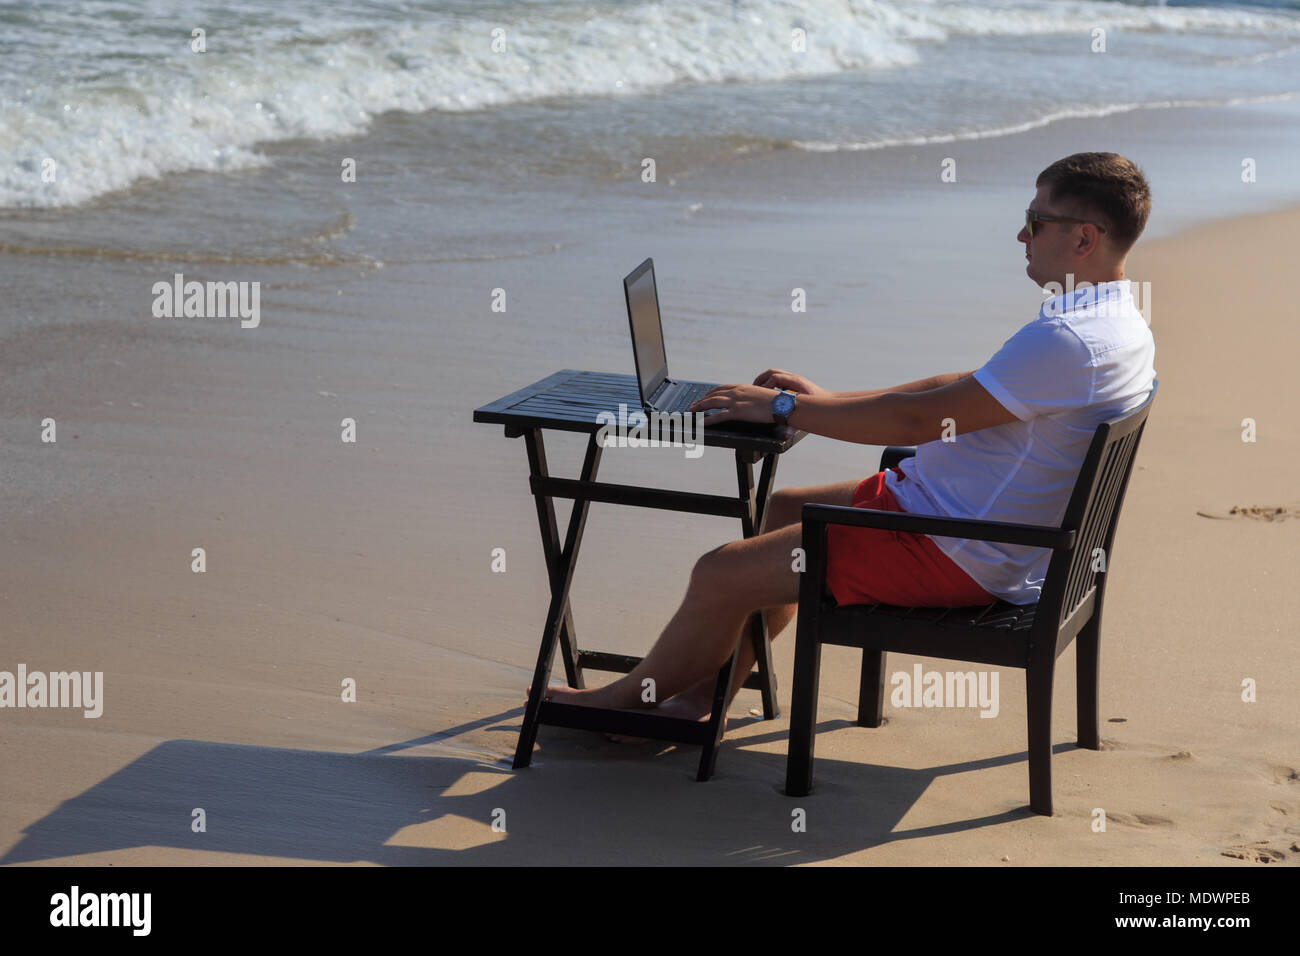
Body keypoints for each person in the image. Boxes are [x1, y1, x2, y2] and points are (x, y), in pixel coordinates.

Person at [544, 151, 1156, 731]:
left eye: (1035, 221)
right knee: (780, 510)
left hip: (955, 547)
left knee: (719, 573)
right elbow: (958, 388)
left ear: (1084, 238)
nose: (1021, 236)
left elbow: (918, 424)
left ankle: (624, 706)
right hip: (958, 516)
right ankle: (705, 698)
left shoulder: (1068, 341)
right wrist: (823, 401)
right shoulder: (1111, 322)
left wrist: (786, 407)